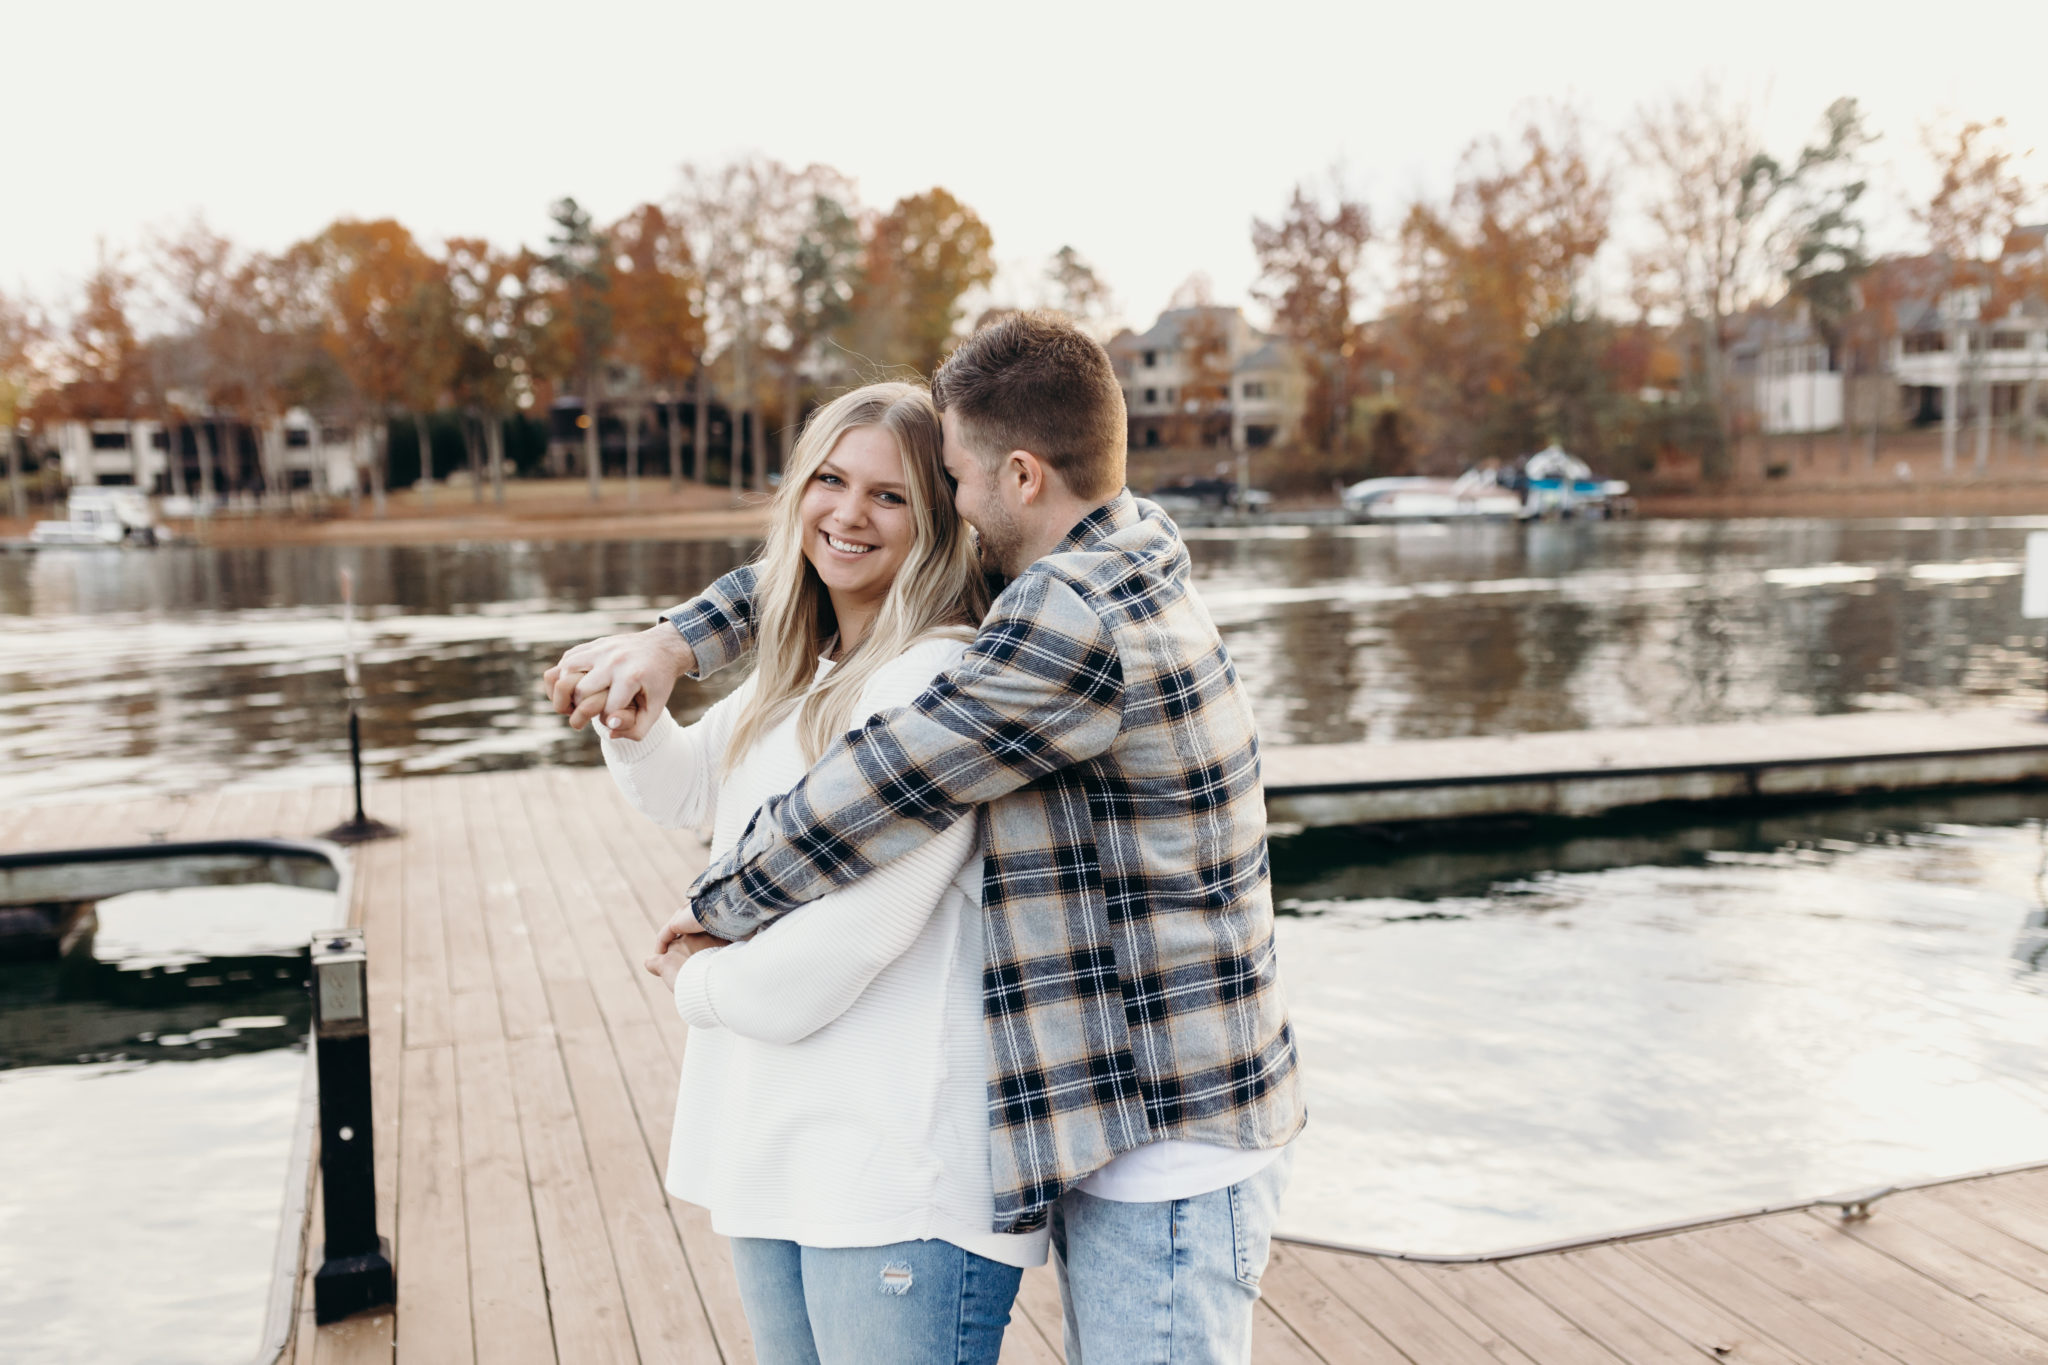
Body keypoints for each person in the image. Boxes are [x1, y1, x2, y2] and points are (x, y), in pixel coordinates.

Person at [548, 313, 1305, 1364]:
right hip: (1130, 1121)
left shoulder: (1070, 617)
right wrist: (673, 641)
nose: (946, 503)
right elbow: (807, 568)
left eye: (945, 479)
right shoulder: (1102, 557)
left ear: (1023, 477)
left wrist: (714, 914)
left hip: (1167, 1138)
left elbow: (880, 784)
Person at [590, 381, 1041, 1364]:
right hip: (781, 1144)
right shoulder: (806, 661)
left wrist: (699, 981)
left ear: (936, 520)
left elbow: (855, 936)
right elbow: (689, 789)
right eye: (829, 480)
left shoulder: (932, 680)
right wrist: (632, 723)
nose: (846, 513)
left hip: (895, 1172)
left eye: (888, 496)